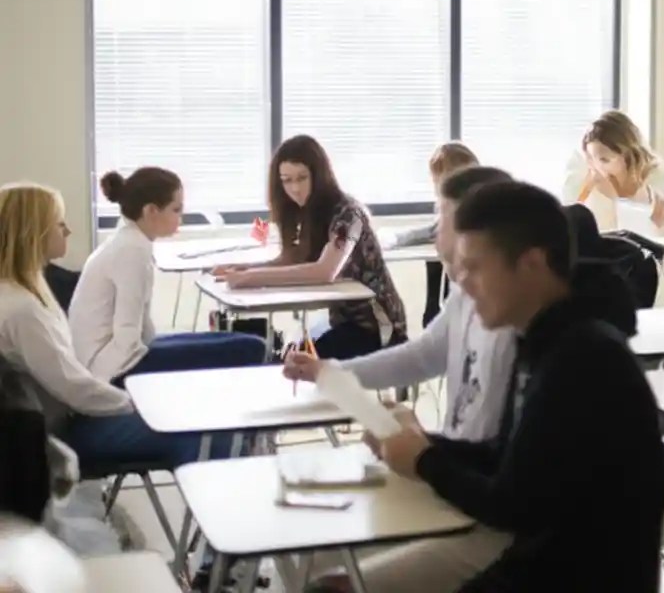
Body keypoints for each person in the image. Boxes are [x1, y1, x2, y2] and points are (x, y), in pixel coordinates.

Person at [308, 183, 664, 593]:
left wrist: (425, 460)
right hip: (542, 563)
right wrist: (424, 444)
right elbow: (508, 461)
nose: (462, 283)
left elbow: (512, 505)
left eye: (475, 268)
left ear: (531, 265)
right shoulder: (548, 338)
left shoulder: (584, 358)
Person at [0, 183, 234, 471]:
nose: (68, 231)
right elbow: (74, 389)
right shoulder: (22, 309)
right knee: (208, 432)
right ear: (32, 234)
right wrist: (141, 404)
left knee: (202, 418)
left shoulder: (24, 291)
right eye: (59, 223)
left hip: (75, 416)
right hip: (68, 432)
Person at [283, 166, 517, 443]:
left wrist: (422, 452)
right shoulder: (464, 298)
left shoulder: (511, 325)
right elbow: (422, 356)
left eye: (441, 220)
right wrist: (328, 371)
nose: (435, 234)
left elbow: (488, 454)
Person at [213, 135, 408, 361]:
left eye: (302, 178)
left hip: (375, 327)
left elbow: (325, 271)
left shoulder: (349, 213)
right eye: (286, 180)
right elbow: (291, 259)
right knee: (286, 354)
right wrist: (242, 269)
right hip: (342, 320)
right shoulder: (306, 210)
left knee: (293, 363)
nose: (294, 188)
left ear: (319, 175)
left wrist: (250, 278)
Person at [69, 168, 263, 382]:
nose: (181, 218)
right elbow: (127, 336)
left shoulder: (128, 240)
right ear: (151, 211)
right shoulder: (132, 251)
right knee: (250, 348)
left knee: (235, 340)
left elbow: (139, 331)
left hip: (107, 358)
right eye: (176, 210)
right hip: (110, 368)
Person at [385, 142, 479, 328]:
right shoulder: (454, 205)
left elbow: (431, 231)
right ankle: (432, 311)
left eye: (436, 179)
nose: (434, 185)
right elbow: (433, 230)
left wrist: (394, 238)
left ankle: (432, 312)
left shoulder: (467, 207)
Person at [564, 110, 664, 234]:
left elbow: (651, 236)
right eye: (590, 157)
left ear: (628, 158)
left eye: (605, 160)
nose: (596, 167)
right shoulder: (586, 173)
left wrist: (615, 199)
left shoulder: (652, 178)